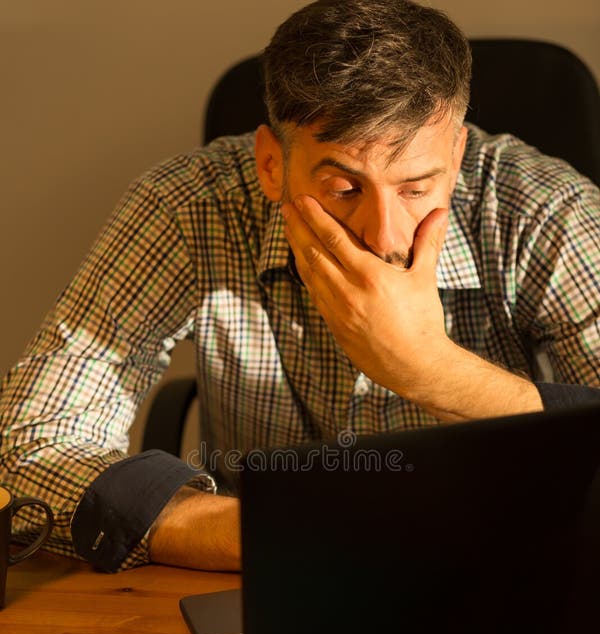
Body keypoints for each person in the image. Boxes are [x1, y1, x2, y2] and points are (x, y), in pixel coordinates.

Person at [1, 0, 599, 574]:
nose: (384, 235)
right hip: (262, 575)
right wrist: (275, 534)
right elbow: (31, 448)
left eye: (416, 189)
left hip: (505, 572)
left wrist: (429, 368)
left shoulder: (546, 211)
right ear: (272, 165)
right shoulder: (186, 209)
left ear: (458, 150)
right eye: (344, 189)